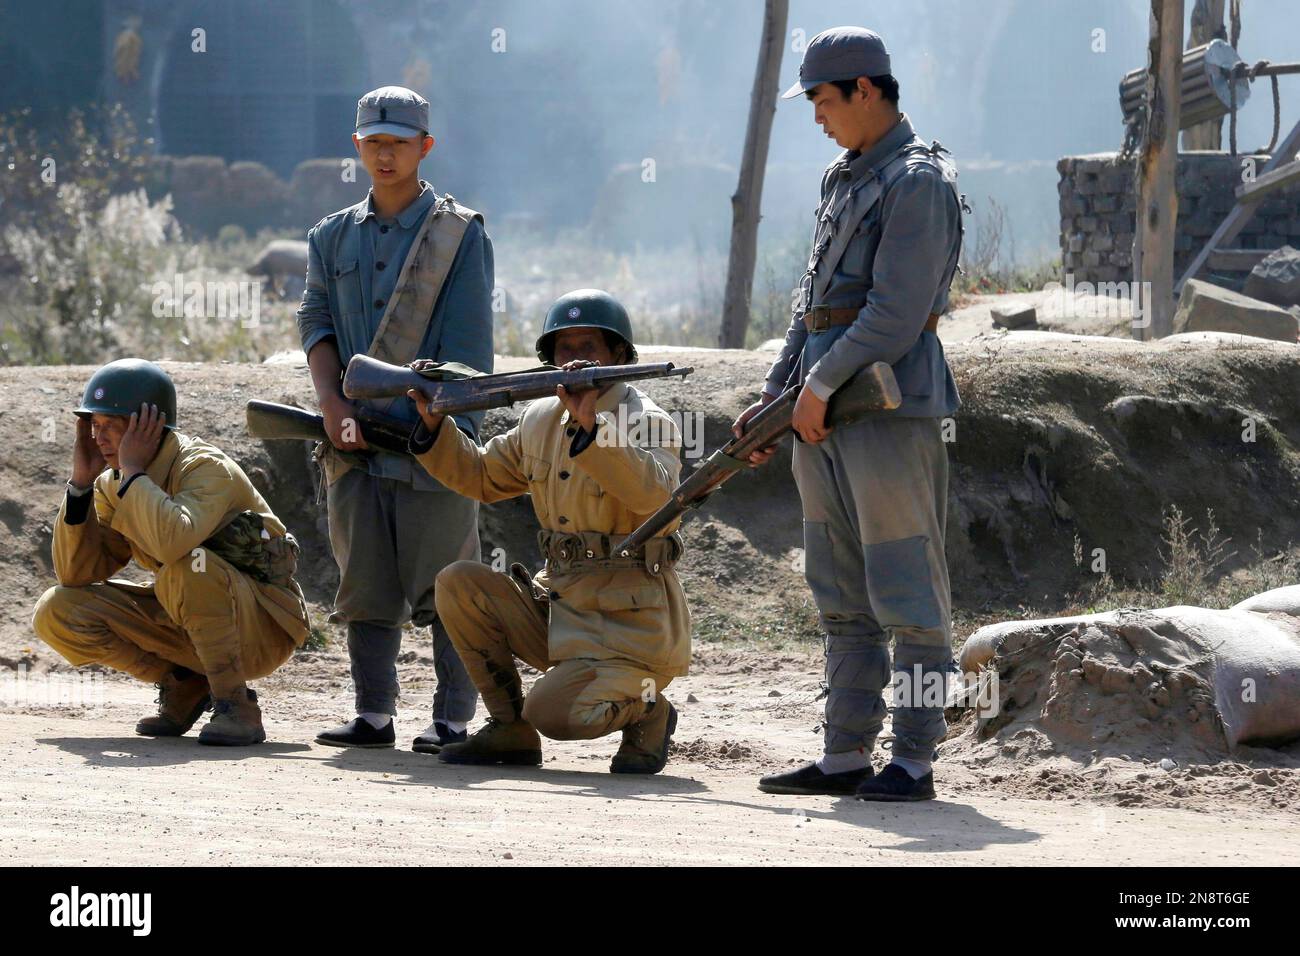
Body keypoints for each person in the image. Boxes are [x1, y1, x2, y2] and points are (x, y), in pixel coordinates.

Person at [739, 28, 964, 801]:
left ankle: (914, 762)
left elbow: (896, 314)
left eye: (823, 100)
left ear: (867, 90)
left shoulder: (918, 181)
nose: (816, 117)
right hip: (822, 408)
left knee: (911, 596)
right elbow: (814, 303)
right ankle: (843, 757)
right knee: (839, 591)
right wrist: (778, 391)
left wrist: (819, 384)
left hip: (886, 408)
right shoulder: (845, 178)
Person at [407, 290, 689, 774]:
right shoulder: (539, 419)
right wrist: (436, 426)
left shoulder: (648, 420)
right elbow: (481, 476)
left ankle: (650, 710)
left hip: (629, 628)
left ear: (618, 354)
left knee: (555, 715)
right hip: (560, 612)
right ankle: (509, 730)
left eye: (591, 346)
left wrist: (592, 430)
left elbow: (657, 501)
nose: (575, 357)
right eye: (563, 348)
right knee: (460, 583)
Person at [296, 86, 494, 752]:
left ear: (424, 148)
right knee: (366, 581)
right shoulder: (330, 236)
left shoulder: (458, 235)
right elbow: (316, 319)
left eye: (399, 143)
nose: (385, 154)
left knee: (448, 586)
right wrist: (332, 404)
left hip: (431, 436)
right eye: (373, 141)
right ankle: (373, 716)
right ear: (357, 146)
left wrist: (436, 418)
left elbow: (469, 349)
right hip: (354, 438)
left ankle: (451, 722)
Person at [32, 359, 311, 745]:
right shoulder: (113, 483)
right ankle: (183, 682)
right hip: (190, 621)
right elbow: (75, 575)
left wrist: (132, 473)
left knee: (189, 564)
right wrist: (80, 486)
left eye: (113, 425)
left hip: (260, 627)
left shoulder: (204, 467)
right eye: (95, 426)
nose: (100, 438)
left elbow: (173, 542)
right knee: (57, 608)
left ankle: (235, 705)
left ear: (150, 425)